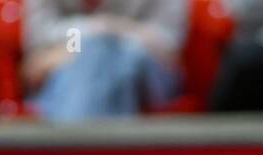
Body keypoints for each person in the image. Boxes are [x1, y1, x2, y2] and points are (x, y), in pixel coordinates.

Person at [22, 0, 188, 121]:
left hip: (145, 63)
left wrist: (109, 31)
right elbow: (38, 48)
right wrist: (94, 33)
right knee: (93, 55)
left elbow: (167, 46)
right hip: (68, 64)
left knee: (109, 55)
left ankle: (71, 154)